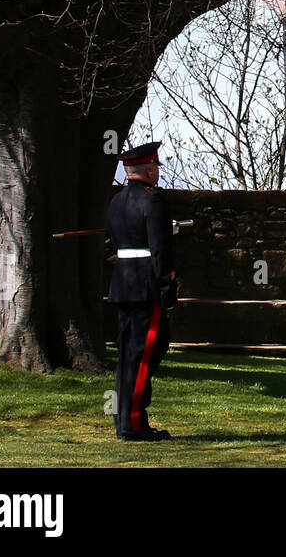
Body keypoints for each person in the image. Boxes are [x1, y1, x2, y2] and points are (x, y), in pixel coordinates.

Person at [107, 141, 177, 441]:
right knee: (144, 355)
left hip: (123, 285)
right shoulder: (154, 200)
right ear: (149, 170)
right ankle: (132, 423)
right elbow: (160, 250)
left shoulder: (116, 202)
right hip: (146, 288)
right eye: (156, 168)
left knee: (128, 356)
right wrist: (167, 284)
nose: (157, 173)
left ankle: (125, 418)